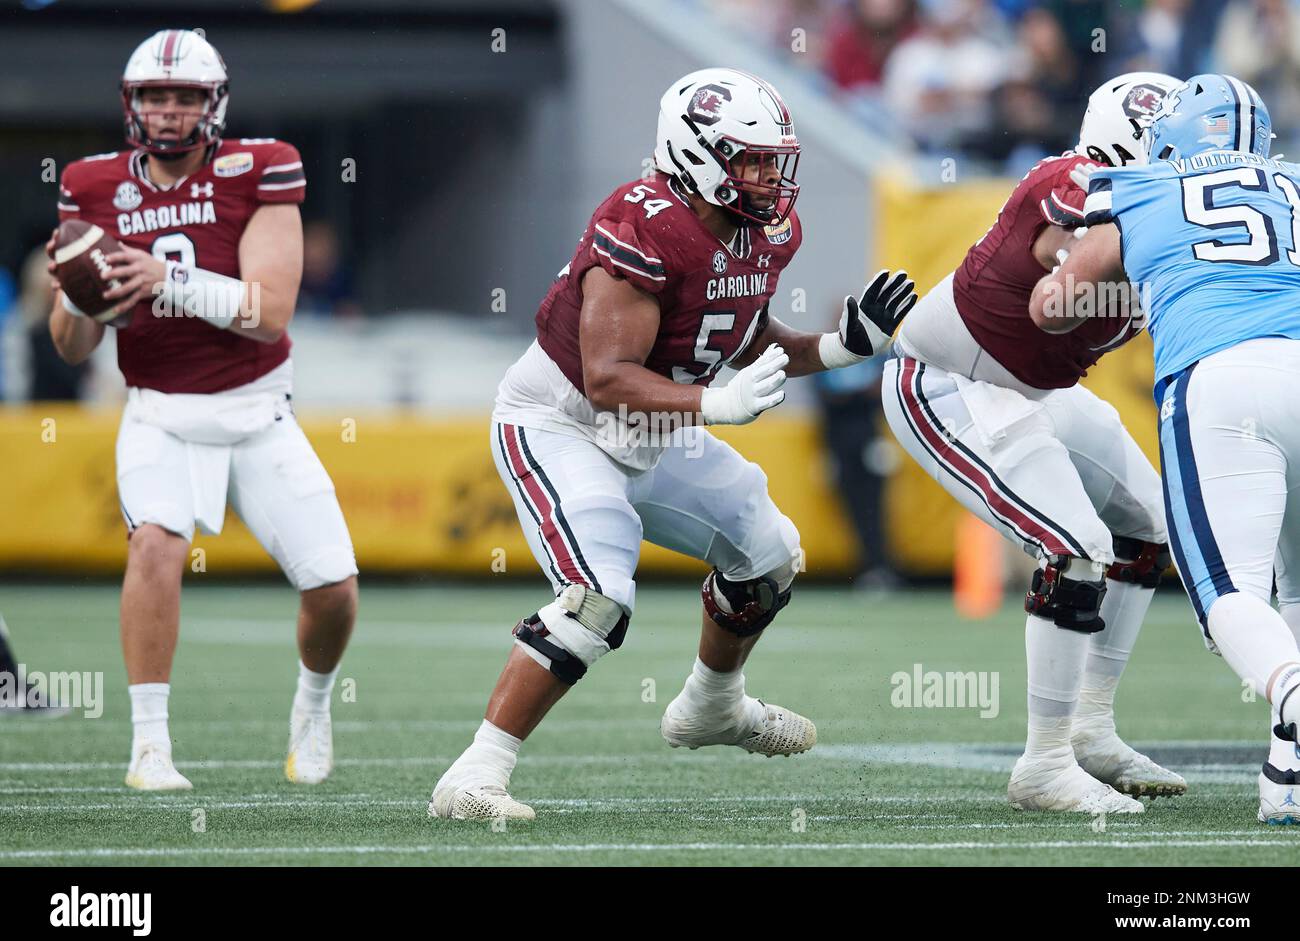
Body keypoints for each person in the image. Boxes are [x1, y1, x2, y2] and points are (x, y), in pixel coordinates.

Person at [428, 68, 915, 821]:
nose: (766, 177)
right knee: (597, 601)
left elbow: (744, 336)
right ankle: (473, 774)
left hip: (662, 425)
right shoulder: (642, 222)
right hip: (564, 426)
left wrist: (844, 347)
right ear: (693, 154)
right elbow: (606, 378)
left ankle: (713, 707)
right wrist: (713, 402)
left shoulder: (765, 229)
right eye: (746, 158)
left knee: (770, 556)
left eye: (771, 159)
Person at [48, 29, 358, 791]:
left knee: (334, 589)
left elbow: (270, 311)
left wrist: (160, 279)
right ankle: (149, 745)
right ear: (132, 104)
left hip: (257, 409)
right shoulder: (92, 185)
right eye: (156, 95)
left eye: (185, 96)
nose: (169, 110)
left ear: (212, 104)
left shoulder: (262, 166)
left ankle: (313, 707)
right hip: (159, 411)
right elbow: (70, 347)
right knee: (153, 545)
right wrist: (87, 300)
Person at [881, 73, 1187, 814]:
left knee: (1148, 524)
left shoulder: (1166, 213)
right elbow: (1067, 245)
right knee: (1073, 544)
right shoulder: (1073, 182)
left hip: (1036, 391)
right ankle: (1044, 762)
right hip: (951, 386)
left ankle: (1090, 728)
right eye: (1181, 146)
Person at [1032, 74, 1300, 824]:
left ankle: (1295, 701)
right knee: (1298, 582)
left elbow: (1054, 308)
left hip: (1223, 377)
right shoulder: (1294, 180)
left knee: (1228, 595)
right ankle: (1289, 769)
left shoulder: (1138, 184)